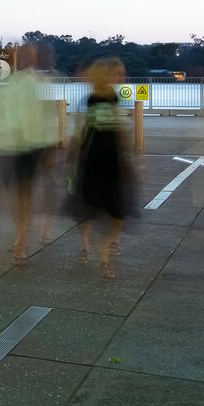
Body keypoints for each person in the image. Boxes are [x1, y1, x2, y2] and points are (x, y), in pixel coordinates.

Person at [0, 42, 53, 266]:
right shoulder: (14, 82)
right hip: (11, 145)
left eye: (31, 54)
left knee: (22, 195)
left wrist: (45, 144)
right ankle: (21, 237)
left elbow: (40, 115)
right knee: (18, 196)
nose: (27, 58)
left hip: (26, 146)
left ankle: (21, 241)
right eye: (24, 54)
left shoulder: (32, 82)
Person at [69, 57, 131, 278]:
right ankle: (92, 248)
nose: (120, 77)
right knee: (91, 205)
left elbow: (114, 128)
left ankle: (101, 252)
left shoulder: (111, 98)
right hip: (96, 157)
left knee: (114, 209)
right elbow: (89, 128)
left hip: (108, 157)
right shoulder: (93, 100)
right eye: (117, 73)